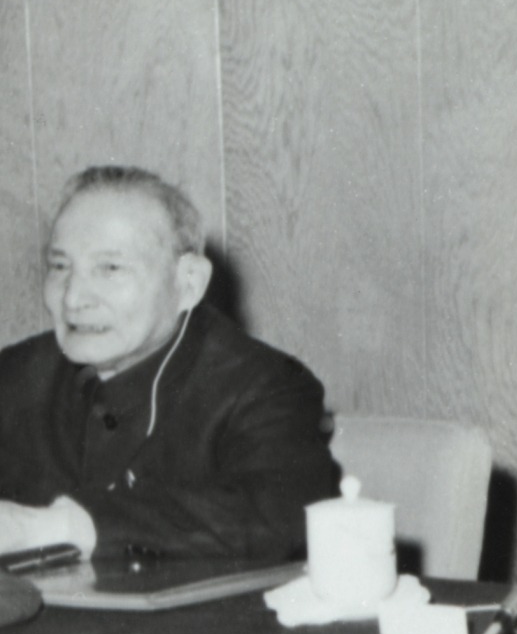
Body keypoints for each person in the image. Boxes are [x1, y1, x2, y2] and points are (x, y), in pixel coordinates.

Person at [0, 166, 338, 561]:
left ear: (188, 283)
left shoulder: (264, 385)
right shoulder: (16, 374)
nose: (73, 298)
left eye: (110, 269)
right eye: (60, 267)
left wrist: (65, 527)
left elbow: (284, 517)